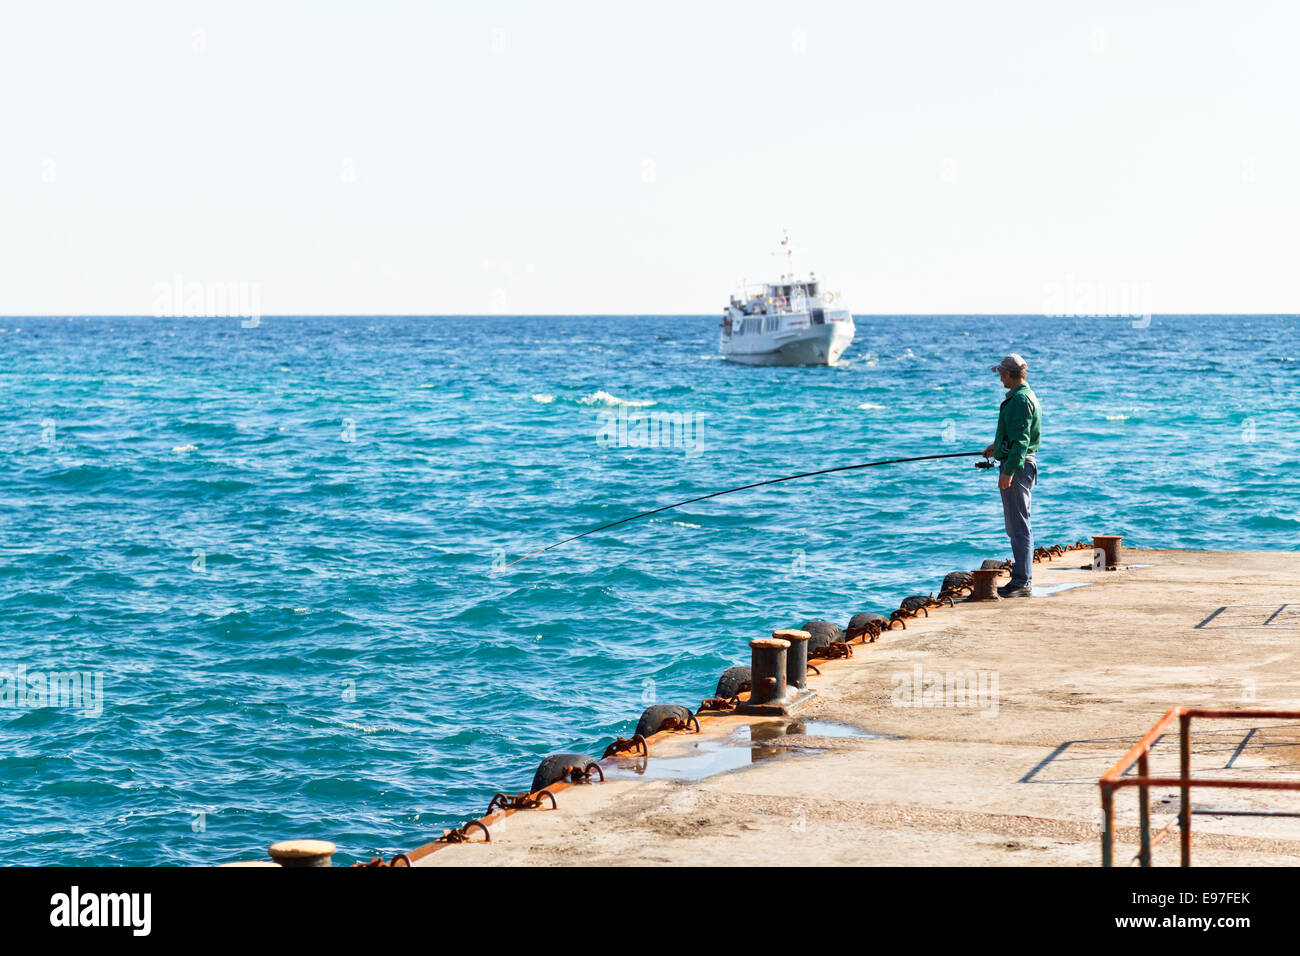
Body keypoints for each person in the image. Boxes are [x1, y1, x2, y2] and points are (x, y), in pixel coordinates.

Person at [982, 353, 1041, 598]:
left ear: (1008, 374)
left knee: (1018, 527)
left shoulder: (1019, 400)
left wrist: (1008, 471)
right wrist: (996, 447)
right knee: (1018, 525)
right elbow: (1017, 437)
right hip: (1020, 464)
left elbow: (1021, 441)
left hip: (1018, 468)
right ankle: (1021, 579)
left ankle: (1021, 583)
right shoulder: (1025, 396)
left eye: (1000, 375)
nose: (999, 379)